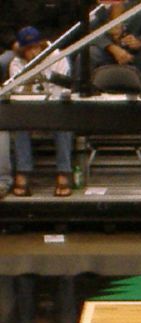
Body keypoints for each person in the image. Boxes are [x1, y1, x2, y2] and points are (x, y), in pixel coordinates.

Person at [7, 28, 74, 199]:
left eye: (35, 47)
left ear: (42, 45)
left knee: (64, 124)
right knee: (19, 125)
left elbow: (63, 89)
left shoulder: (57, 57)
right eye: (28, 49)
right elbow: (17, 92)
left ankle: (64, 173)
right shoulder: (16, 63)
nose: (33, 52)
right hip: (30, 111)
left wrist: (44, 72)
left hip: (54, 108)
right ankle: (23, 173)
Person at [88, 0, 141, 93]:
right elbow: (90, 29)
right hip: (104, 51)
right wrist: (112, 47)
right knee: (87, 55)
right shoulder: (97, 3)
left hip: (136, 53)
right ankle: (82, 98)